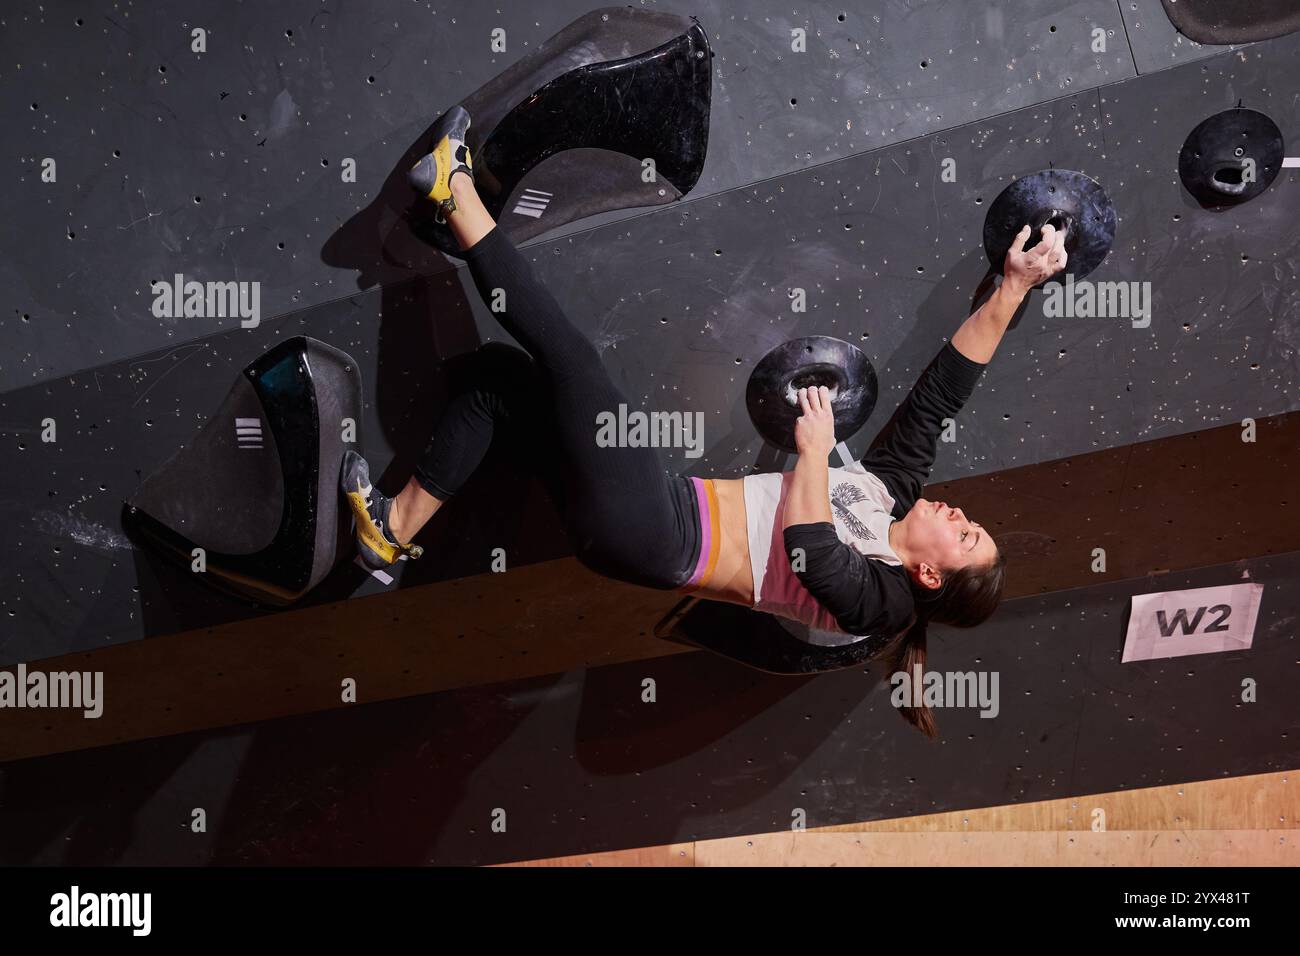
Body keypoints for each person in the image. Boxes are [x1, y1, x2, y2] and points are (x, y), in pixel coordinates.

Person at [342, 105, 1068, 735]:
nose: (960, 512)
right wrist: (1013, 286)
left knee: (573, 361)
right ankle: (390, 530)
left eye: (966, 533)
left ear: (932, 573)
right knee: (506, 384)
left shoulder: (878, 606)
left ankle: (453, 190)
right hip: (658, 506)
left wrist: (815, 450)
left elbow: (811, 547)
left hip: (653, 534)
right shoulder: (889, 498)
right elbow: (941, 395)